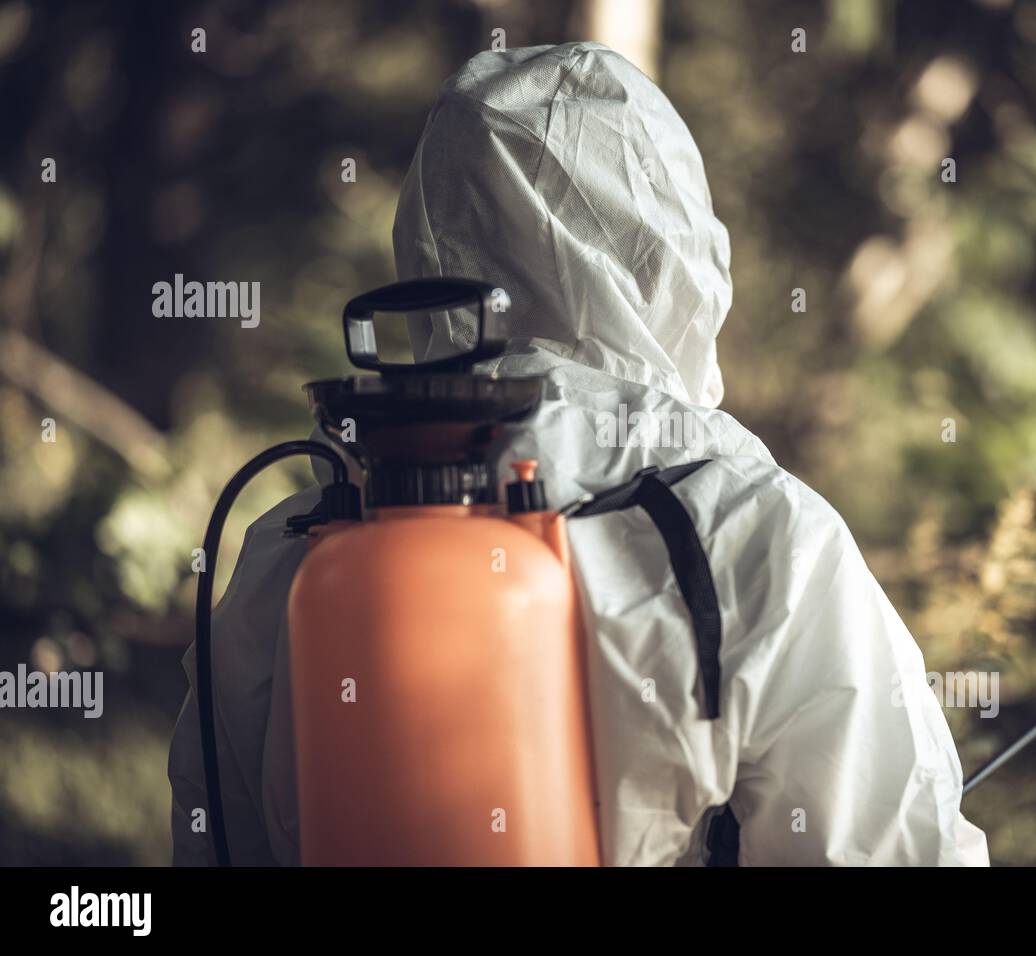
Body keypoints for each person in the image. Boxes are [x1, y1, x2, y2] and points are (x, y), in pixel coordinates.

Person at [168, 41, 988, 866]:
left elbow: (215, 836)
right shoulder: (758, 528)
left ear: (430, 236)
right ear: (673, 242)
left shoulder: (295, 547)